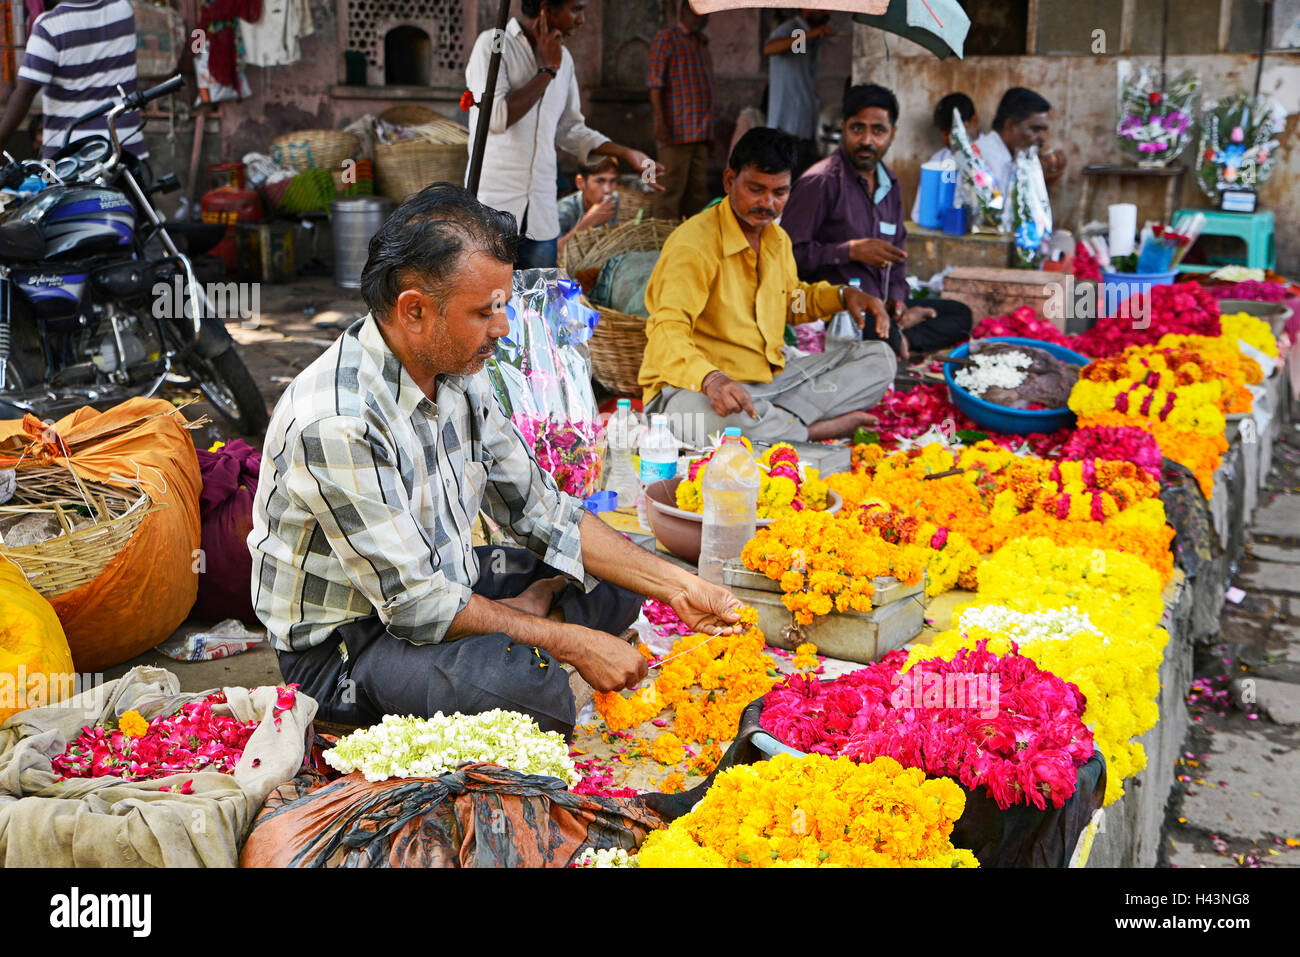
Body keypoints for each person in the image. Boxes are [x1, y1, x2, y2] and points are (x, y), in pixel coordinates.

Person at [250, 184, 746, 737]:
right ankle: (528, 645)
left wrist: (680, 587)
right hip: (347, 651)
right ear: (414, 310)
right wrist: (572, 642)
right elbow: (416, 607)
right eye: (486, 312)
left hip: (446, 584)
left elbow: (542, 511)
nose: (503, 328)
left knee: (621, 579)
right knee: (530, 697)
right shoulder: (338, 421)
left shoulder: (455, 372)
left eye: (504, 307)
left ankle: (526, 630)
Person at [638, 127, 897, 448]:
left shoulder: (777, 240)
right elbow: (666, 329)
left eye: (780, 193)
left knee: (880, 359)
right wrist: (712, 379)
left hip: (772, 383)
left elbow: (790, 303)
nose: (768, 203)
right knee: (717, 422)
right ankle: (810, 431)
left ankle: (773, 423)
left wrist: (843, 296)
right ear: (729, 180)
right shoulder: (694, 243)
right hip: (696, 390)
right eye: (756, 189)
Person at [464, 0, 663, 269]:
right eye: (575, 9)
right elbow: (497, 117)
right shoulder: (494, 44)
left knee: (539, 306)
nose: (581, 20)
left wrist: (627, 153)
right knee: (490, 305)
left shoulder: (564, 59)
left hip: (541, 218)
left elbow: (570, 129)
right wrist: (547, 72)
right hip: (491, 213)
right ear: (546, 8)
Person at [784, 84, 973, 356]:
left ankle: (899, 339)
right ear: (843, 127)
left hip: (880, 305)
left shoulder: (890, 183)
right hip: (835, 308)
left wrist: (898, 302)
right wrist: (850, 251)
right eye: (857, 128)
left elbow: (898, 254)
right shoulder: (821, 181)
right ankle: (893, 341)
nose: (867, 140)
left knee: (960, 314)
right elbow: (787, 256)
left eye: (878, 130)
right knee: (868, 327)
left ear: (893, 134)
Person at [0, 0, 149, 160]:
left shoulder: (49, 27)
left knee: (44, 180)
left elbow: (25, 92)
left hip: (69, 160)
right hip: (128, 151)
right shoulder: (123, 9)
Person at [647, 1, 714, 221]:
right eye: (696, 12)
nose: (701, 18)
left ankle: (689, 244)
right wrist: (660, 122)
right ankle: (661, 247)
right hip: (675, 132)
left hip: (700, 132)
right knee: (669, 192)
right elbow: (655, 84)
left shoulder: (701, 44)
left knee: (696, 195)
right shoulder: (667, 38)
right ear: (683, 12)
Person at [762, 8, 834, 179]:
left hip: (804, 130)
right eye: (822, 8)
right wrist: (809, 35)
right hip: (786, 128)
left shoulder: (804, 36)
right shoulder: (794, 28)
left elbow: (796, 55)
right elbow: (770, 48)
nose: (827, 13)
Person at [974, 87, 1066, 197]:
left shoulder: (1019, 156)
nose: (1042, 138)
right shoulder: (981, 158)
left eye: (1044, 130)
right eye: (1035, 129)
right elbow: (996, 210)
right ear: (1010, 126)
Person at [909, 92, 979, 224]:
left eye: (954, 131)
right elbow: (919, 213)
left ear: (974, 122)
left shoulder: (989, 155)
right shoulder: (938, 162)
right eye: (945, 133)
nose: (949, 139)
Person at [556, 155, 620, 258]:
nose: (607, 190)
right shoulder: (564, 209)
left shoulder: (613, 201)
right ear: (580, 182)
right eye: (600, 181)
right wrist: (588, 222)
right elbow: (553, 253)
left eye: (612, 181)